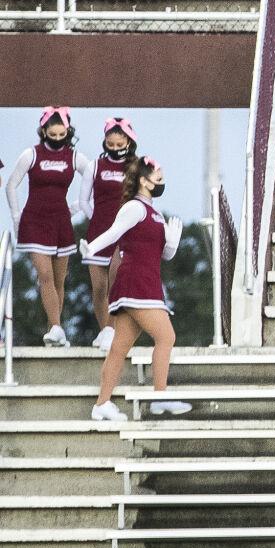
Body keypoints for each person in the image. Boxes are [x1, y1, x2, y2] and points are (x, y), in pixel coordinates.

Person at [85, 156, 189, 420]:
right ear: (144, 181)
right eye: (158, 174)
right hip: (136, 284)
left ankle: (102, 404)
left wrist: (173, 242)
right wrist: (92, 248)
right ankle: (159, 397)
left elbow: (164, 255)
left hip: (148, 283)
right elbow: (115, 232)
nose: (162, 177)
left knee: (119, 348)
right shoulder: (134, 208)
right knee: (166, 337)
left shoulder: (155, 212)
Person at [8, 106, 86, 347]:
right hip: (34, 221)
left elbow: (95, 179)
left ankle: (56, 330)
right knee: (45, 276)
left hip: (61, 222)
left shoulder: (74, 156)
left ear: (68, 131)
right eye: (52, 135)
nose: (57, 139)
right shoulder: (30, 154)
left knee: (59, 279)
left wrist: (78, 206)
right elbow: (11, 185)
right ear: (43, 131)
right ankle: (56, 326)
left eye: (62, 135)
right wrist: (17, 216)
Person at [80, 117, 137, 351]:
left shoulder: (136, 166)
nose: (115, 149)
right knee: (100, 289)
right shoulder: (95, 166)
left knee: (116, 281)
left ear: (128, 141)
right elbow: (83, 200)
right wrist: (96, 217)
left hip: (123, 234)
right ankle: (104, 329)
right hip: (97, 232)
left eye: (119, 144)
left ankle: (113, 329)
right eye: (110, 145)